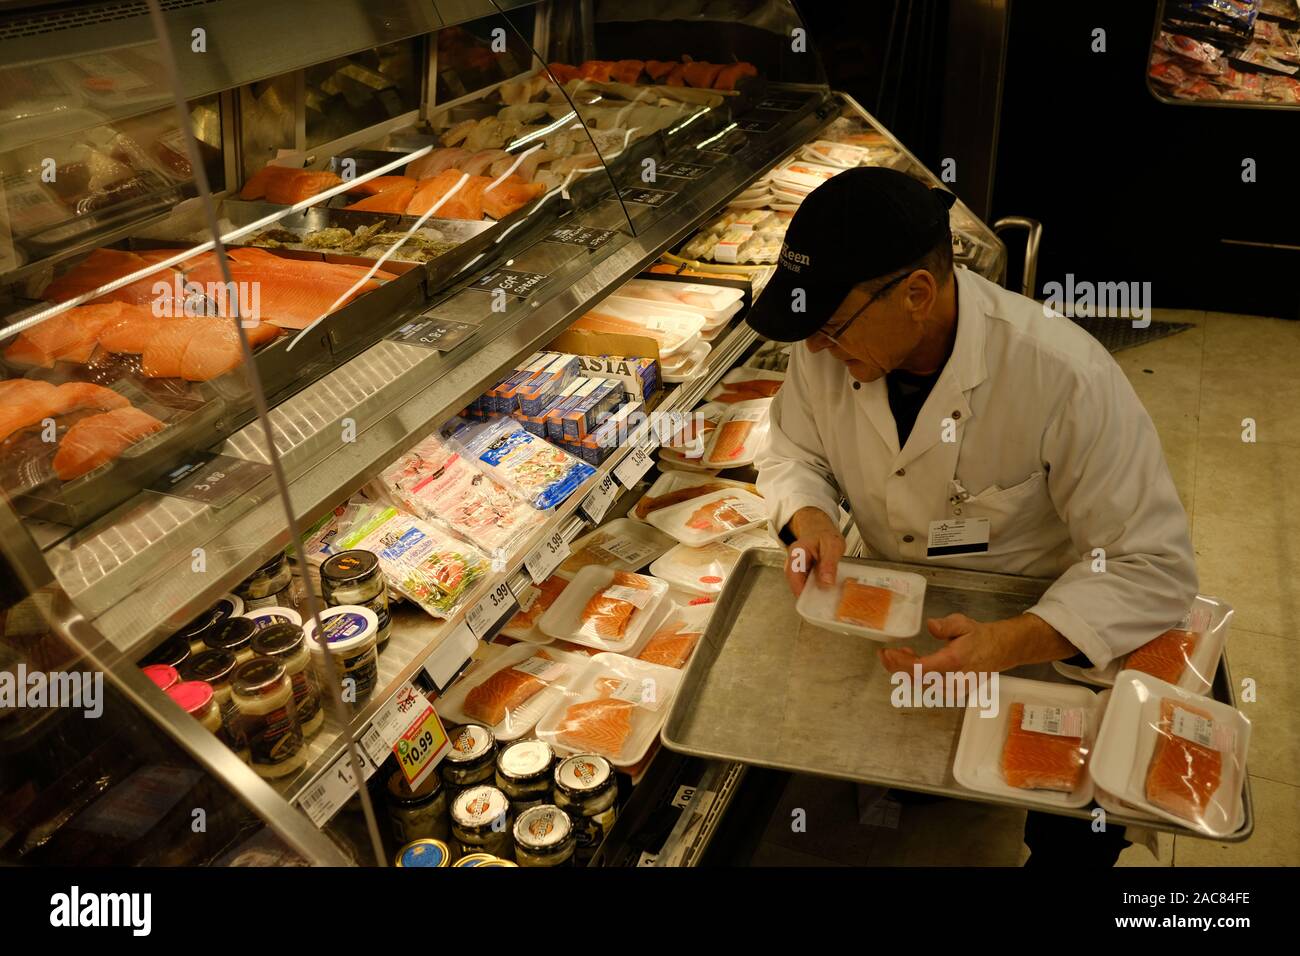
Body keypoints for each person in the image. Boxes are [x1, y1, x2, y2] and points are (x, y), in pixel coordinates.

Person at [747, 166, 1197, 866]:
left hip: (1046, 635)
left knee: (1073, 829)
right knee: (924, 767)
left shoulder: (1064, 375)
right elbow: (791, 449)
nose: (814, 349)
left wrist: (1008, 643)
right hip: (906, 619)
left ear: (918, 294)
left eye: (830, 328)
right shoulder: (831, 346)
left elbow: (1151, 564)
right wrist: (809, 517)